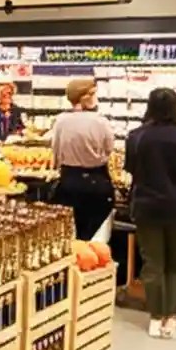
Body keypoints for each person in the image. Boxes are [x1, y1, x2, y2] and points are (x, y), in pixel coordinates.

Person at [125, 88, 176, 338]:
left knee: (152, 263)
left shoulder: (136, 136)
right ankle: (173, 317)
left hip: (147, 204)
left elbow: (130, 167)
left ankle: (155, 316)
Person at [50, 77, 116, 240]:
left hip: (69, 182)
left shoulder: (60, 121)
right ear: (86, 97)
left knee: (71, 234)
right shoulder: (101, 122)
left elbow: (56, 151)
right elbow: (109, 149)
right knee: (96, 236)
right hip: (97, 181)